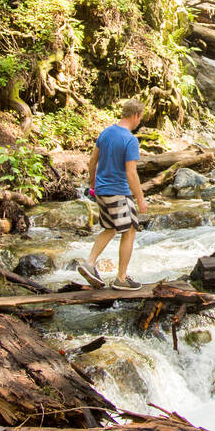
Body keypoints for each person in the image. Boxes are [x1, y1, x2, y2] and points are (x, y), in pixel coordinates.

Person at [77, 99, 148, 290]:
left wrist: (93, 185)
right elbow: (131, 173)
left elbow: (92, 161)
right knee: (130, 229)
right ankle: (122, 278)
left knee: (110, 228)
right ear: (135, 116)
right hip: (118, 192)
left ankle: (89, 263)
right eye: (140, 118)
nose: (139, 122)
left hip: (101, 190)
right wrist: (140, 199)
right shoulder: (130, 139)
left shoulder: (106, 132)